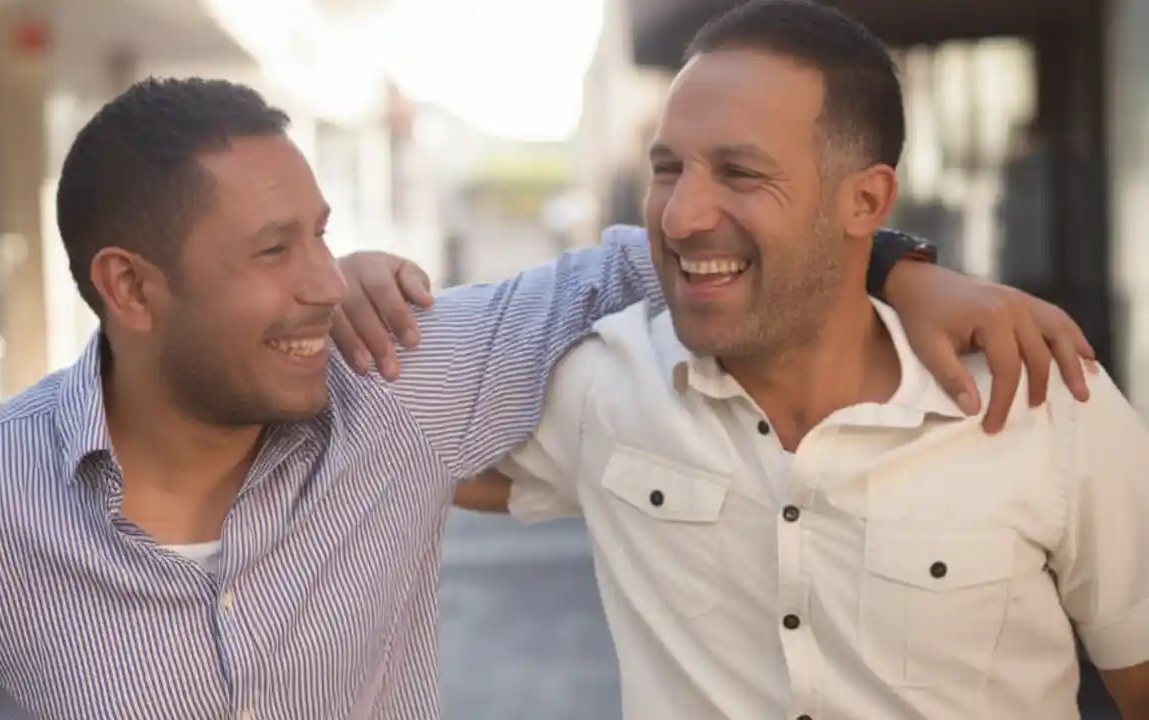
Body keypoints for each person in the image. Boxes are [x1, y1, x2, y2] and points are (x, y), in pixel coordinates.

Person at [0, 72, 1093, 720]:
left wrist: (905, 269)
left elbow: (655, 260)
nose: (319, 286)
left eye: (321, 238)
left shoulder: (390, 378)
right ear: (127, 290)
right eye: (267, 254)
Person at [341, 2, 1149, 717]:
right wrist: (339, 301)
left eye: (740, 173)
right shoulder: (604, 384)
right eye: (668, 169)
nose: (684, 215)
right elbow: (401, 442)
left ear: (865, 201)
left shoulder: (1048, 400)